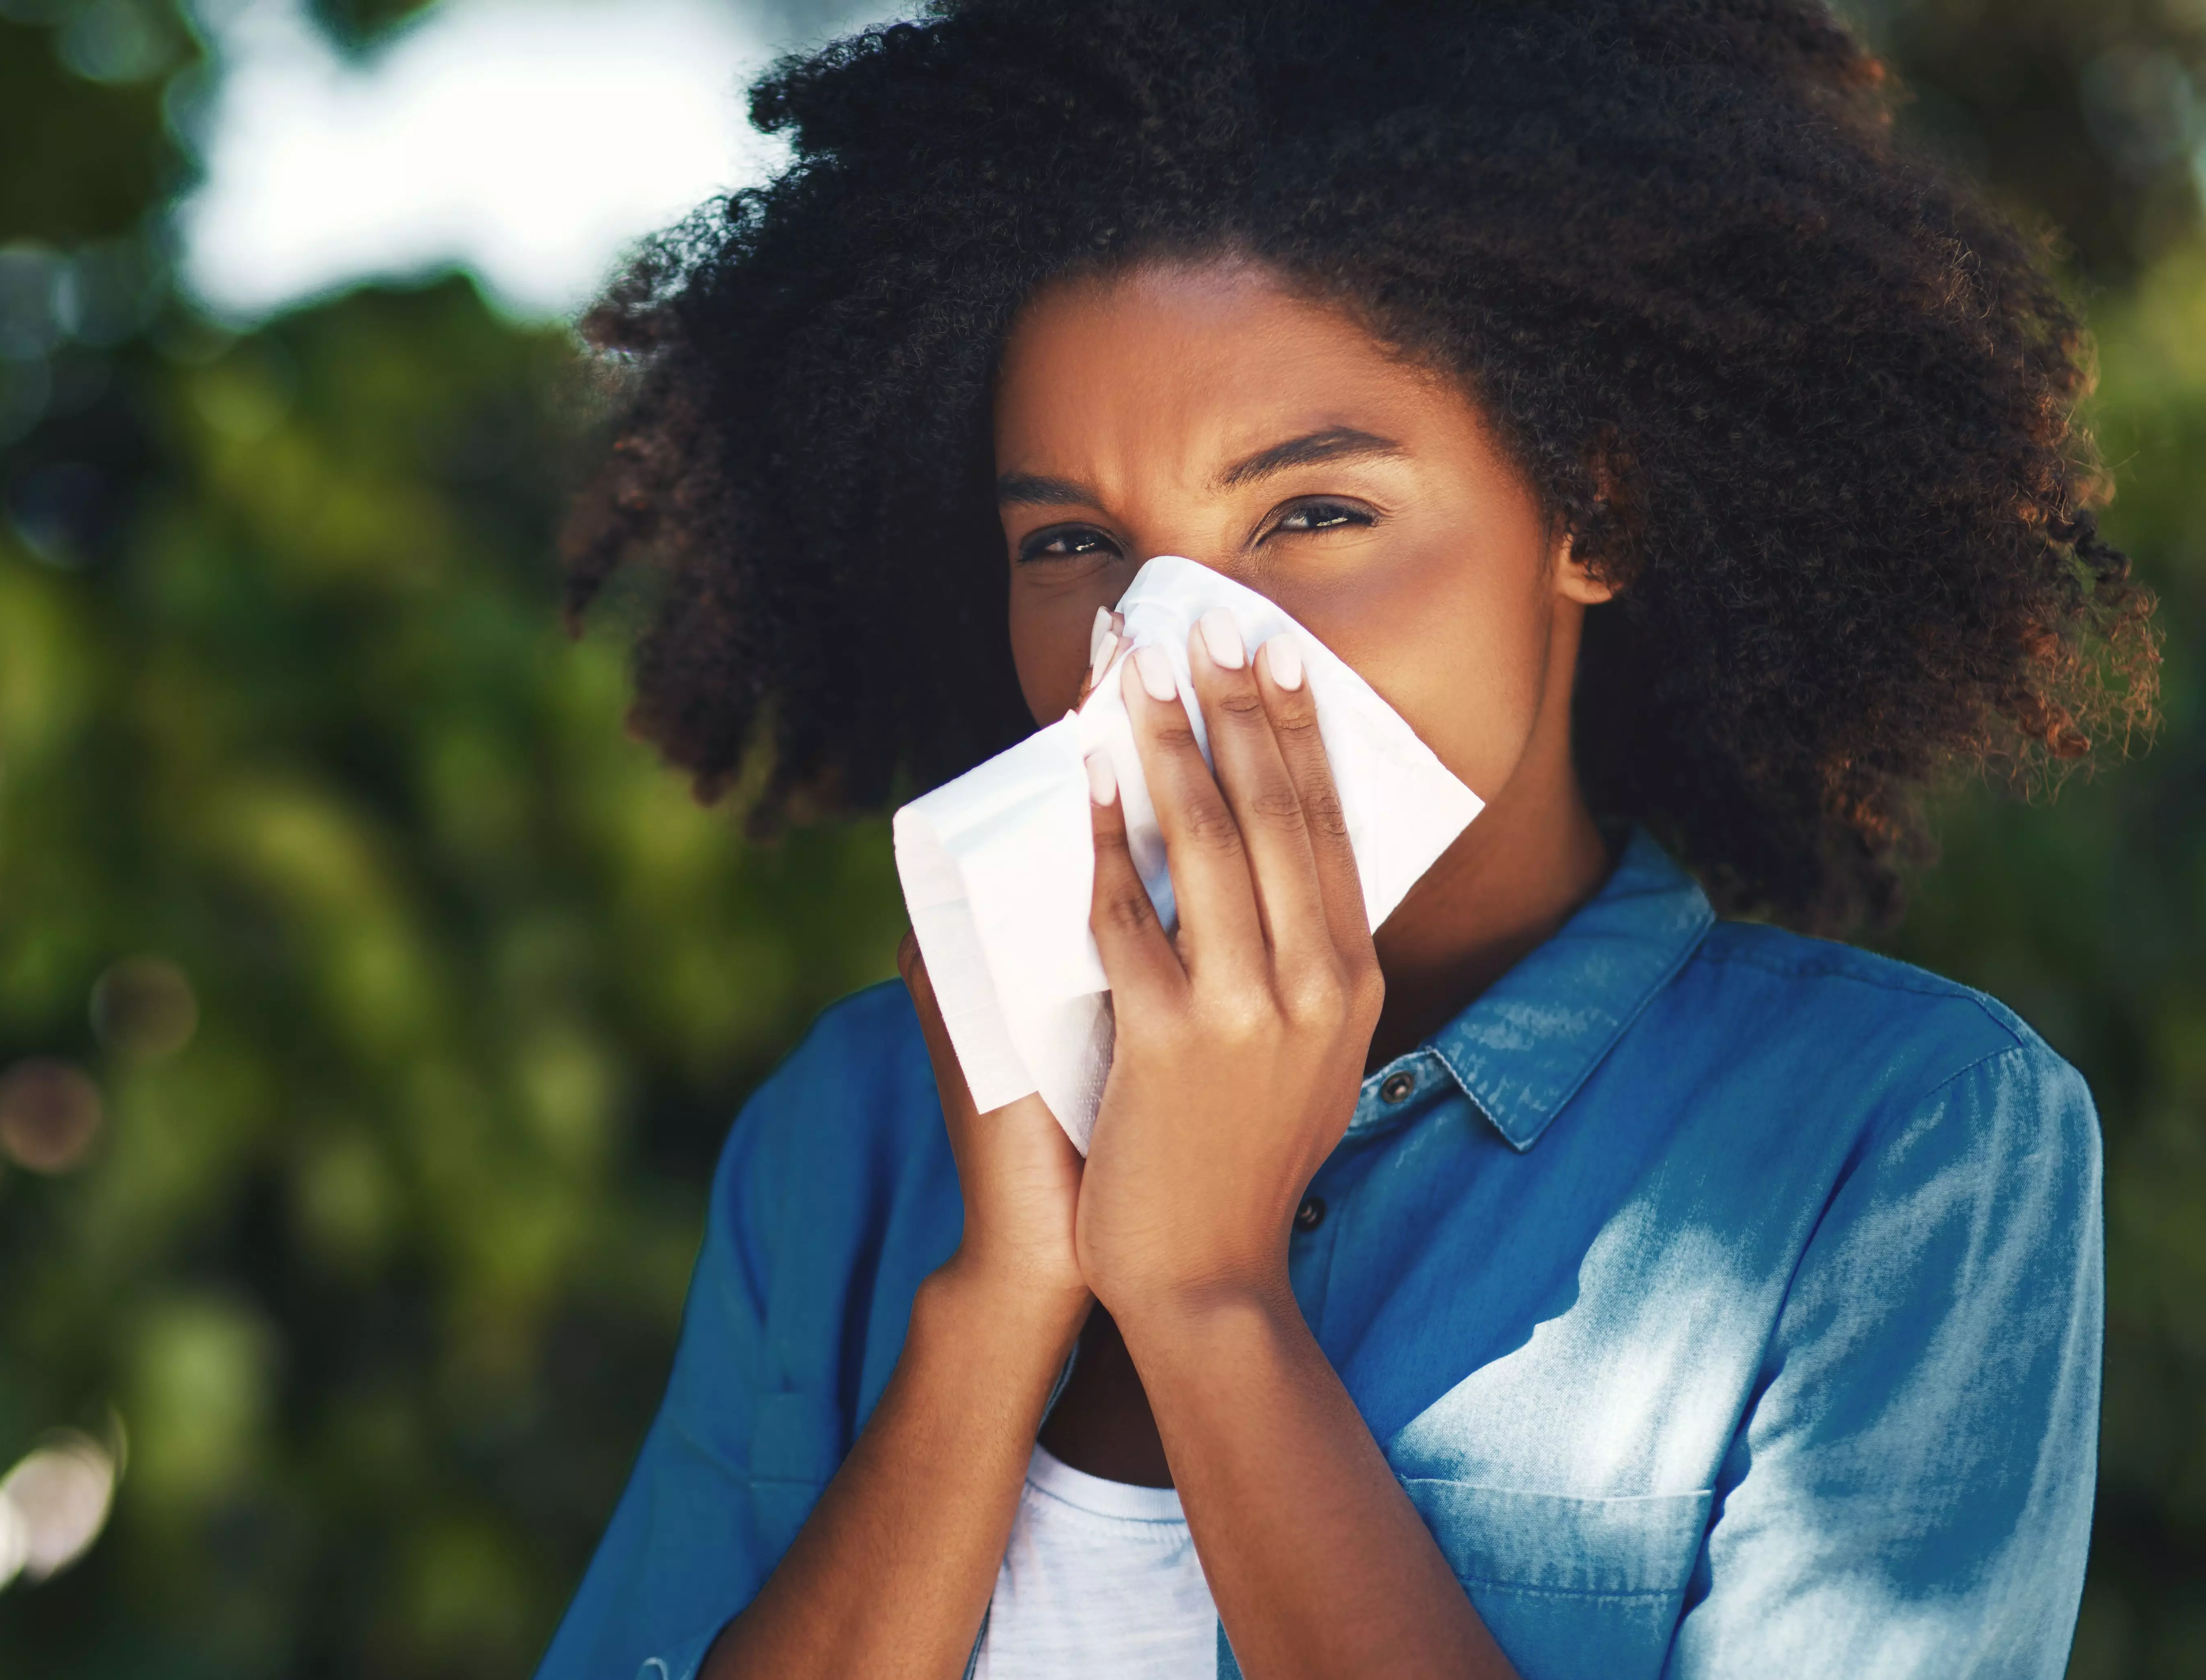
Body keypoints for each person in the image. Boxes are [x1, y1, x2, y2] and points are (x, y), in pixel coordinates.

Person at [538, 2, 2155, 1676]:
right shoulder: (856, 1127)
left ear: (1590, 509)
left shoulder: (1894, 1144)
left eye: (1312, 513)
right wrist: (1003, 1290)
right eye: (1075, 539)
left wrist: (1206, 1301)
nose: (1164, 642)